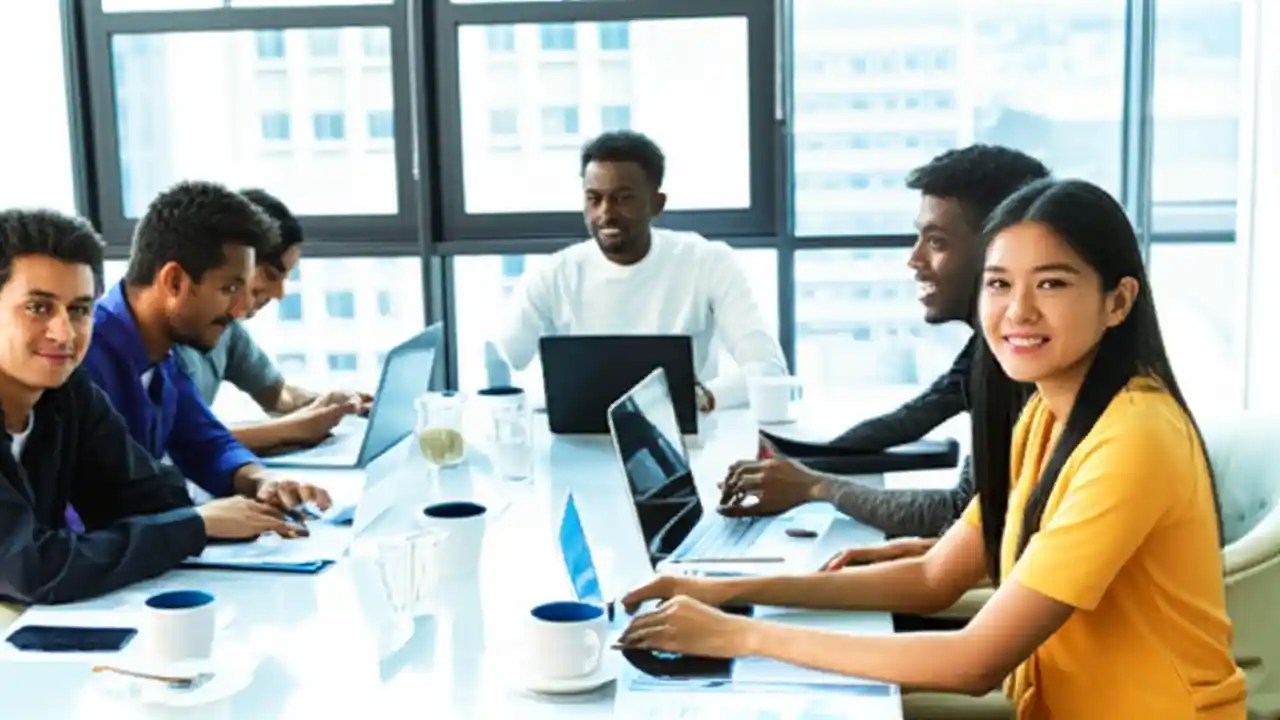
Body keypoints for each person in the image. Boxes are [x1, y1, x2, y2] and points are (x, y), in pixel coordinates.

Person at [617, 179, 1245, 718]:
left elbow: (973, 663)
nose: (1017, 311)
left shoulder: (1134, 437)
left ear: (1117, 301)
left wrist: (739, 635)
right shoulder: (1044, 417)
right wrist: (722, 593)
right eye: (999, 284)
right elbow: (933, 577)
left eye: (1052, 284)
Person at [719, 145, 1049, 566]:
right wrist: (791, 458)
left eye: (936, 242)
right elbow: (910, 419)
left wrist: (816, 486)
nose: (914, 259)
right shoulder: (987, 347)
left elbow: (956, 514)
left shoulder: (1021, 369)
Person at [0, 209, 303, 605]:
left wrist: (223, 514)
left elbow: (149, 497)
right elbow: (35, 568)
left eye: (78, 309)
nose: (65, 333)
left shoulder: (68, 392)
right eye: (38, 308)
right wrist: (194, 526)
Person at [82, 180, 331, 515]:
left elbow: (205, 443)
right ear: (174, 282)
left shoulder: (162, 356)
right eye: (229, 288)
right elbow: (100, 510)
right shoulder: (82, 359)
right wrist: (199, 524)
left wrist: (262, 480)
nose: (242, 308)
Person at [494, 130, 787, 410]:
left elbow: (766, 368)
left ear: (656, 204)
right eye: (594, 199)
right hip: (576, 441)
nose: (606, 213)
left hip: (683, 442)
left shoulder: (709, 262)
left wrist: (702, 398)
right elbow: (506, 359)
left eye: (623, 199)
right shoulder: (553, 274)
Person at [172, 188, 368, 454]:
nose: (279, 294)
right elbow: (180, 442)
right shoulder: (168, 335)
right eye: (271, 274)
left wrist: (330, 405)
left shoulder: (226, 328)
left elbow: (276, 395)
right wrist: (295, 428)